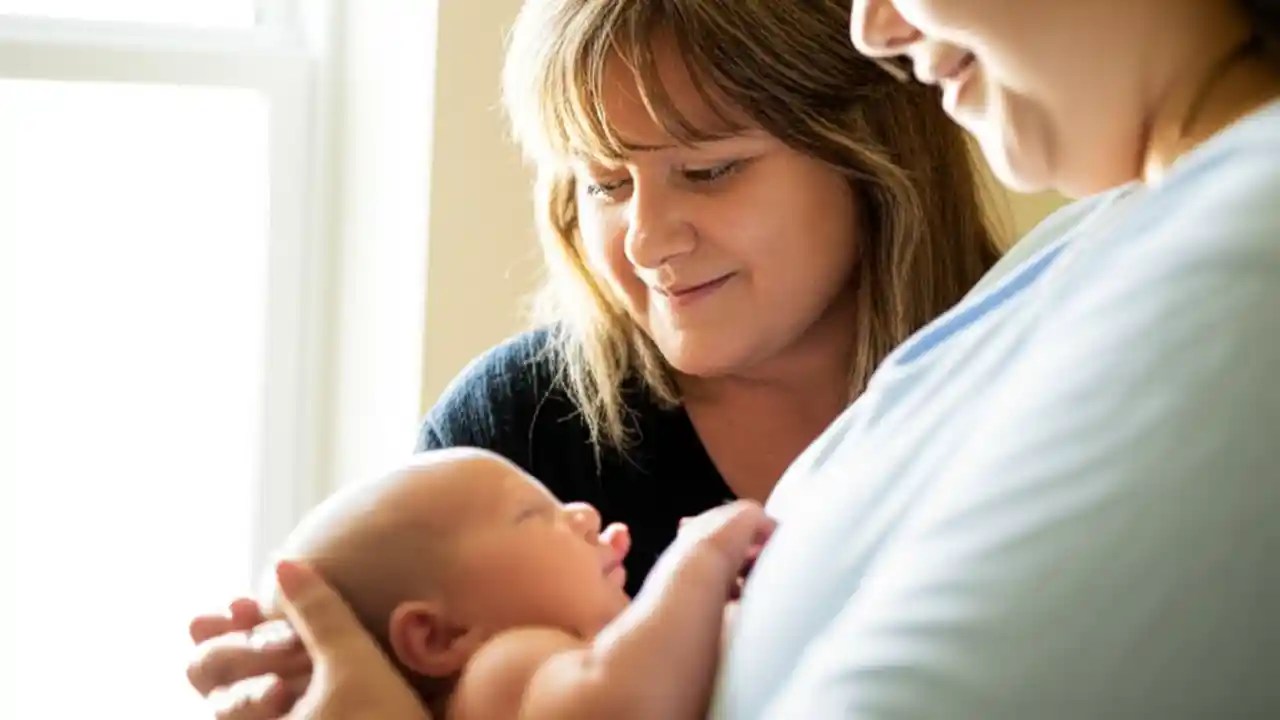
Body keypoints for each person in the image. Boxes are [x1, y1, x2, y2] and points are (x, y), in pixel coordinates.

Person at [202, 0, 1280, 717]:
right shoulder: (520, 434)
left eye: (709, 172)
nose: (643, 239)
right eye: (604, 185)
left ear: (867, 158)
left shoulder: (1047, 318)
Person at [260, 447, 768, 720]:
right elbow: (620, 704)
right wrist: (700, 560)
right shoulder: (498, 669)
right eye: (532, 513)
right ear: (439, 637)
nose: (585, 515)